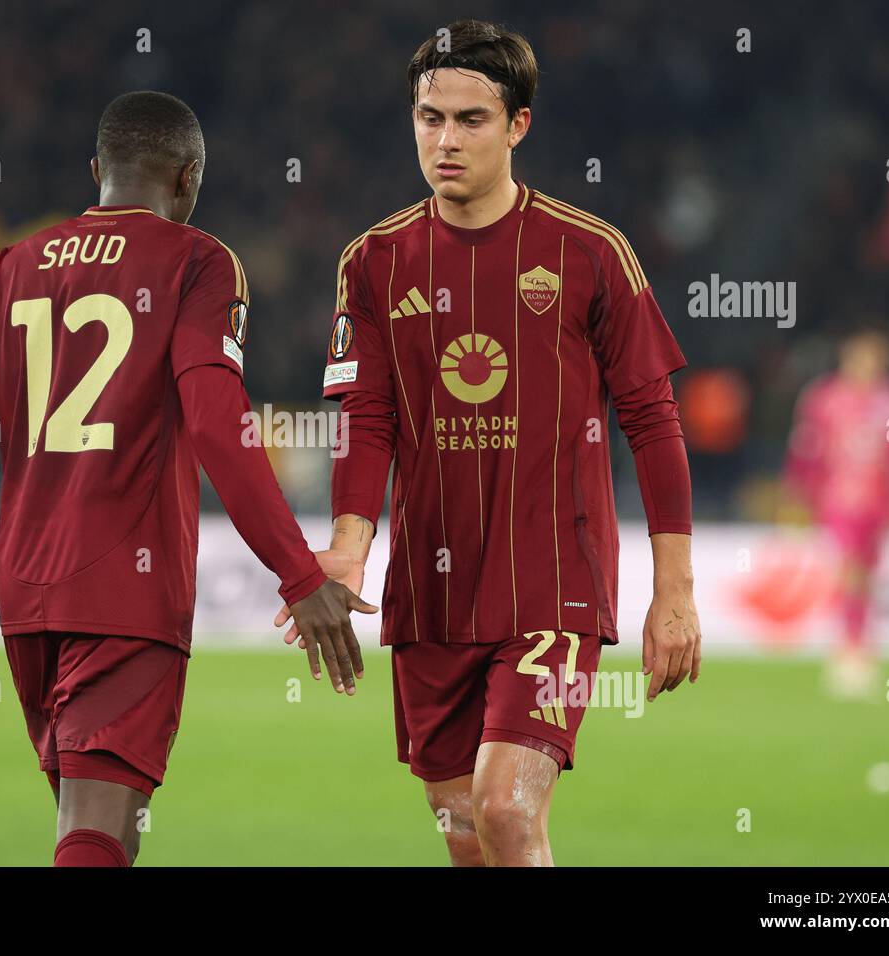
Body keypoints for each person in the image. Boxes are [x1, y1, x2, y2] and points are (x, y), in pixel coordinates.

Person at [0, 91, 375, 867]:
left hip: (25, 593)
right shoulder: (199, 263)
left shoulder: (8, 268)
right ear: (188, 179)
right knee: (94, 833)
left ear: (98, 171)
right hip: (126, 586)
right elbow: (220, 423)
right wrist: (296, 573)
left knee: (98, 833)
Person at [277, 20, 700, 866]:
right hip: (433, 591)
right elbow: (368, 420)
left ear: (519, 126)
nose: (445, 139)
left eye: (472, 119)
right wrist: (349, 552)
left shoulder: (591, 253)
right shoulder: (373, 261)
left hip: (554, 582)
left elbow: (652, 422)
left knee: (505, 807)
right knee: (465, 829)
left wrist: (675, 593)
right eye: (430, 117)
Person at [784, 328, 889, 697]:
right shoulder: (825, 399)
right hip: (838, 499)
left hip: (881, 504)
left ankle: (859, 646)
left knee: (867, 575)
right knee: (849, 570)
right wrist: (796, 491)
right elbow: (808, 448)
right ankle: (849, 650)